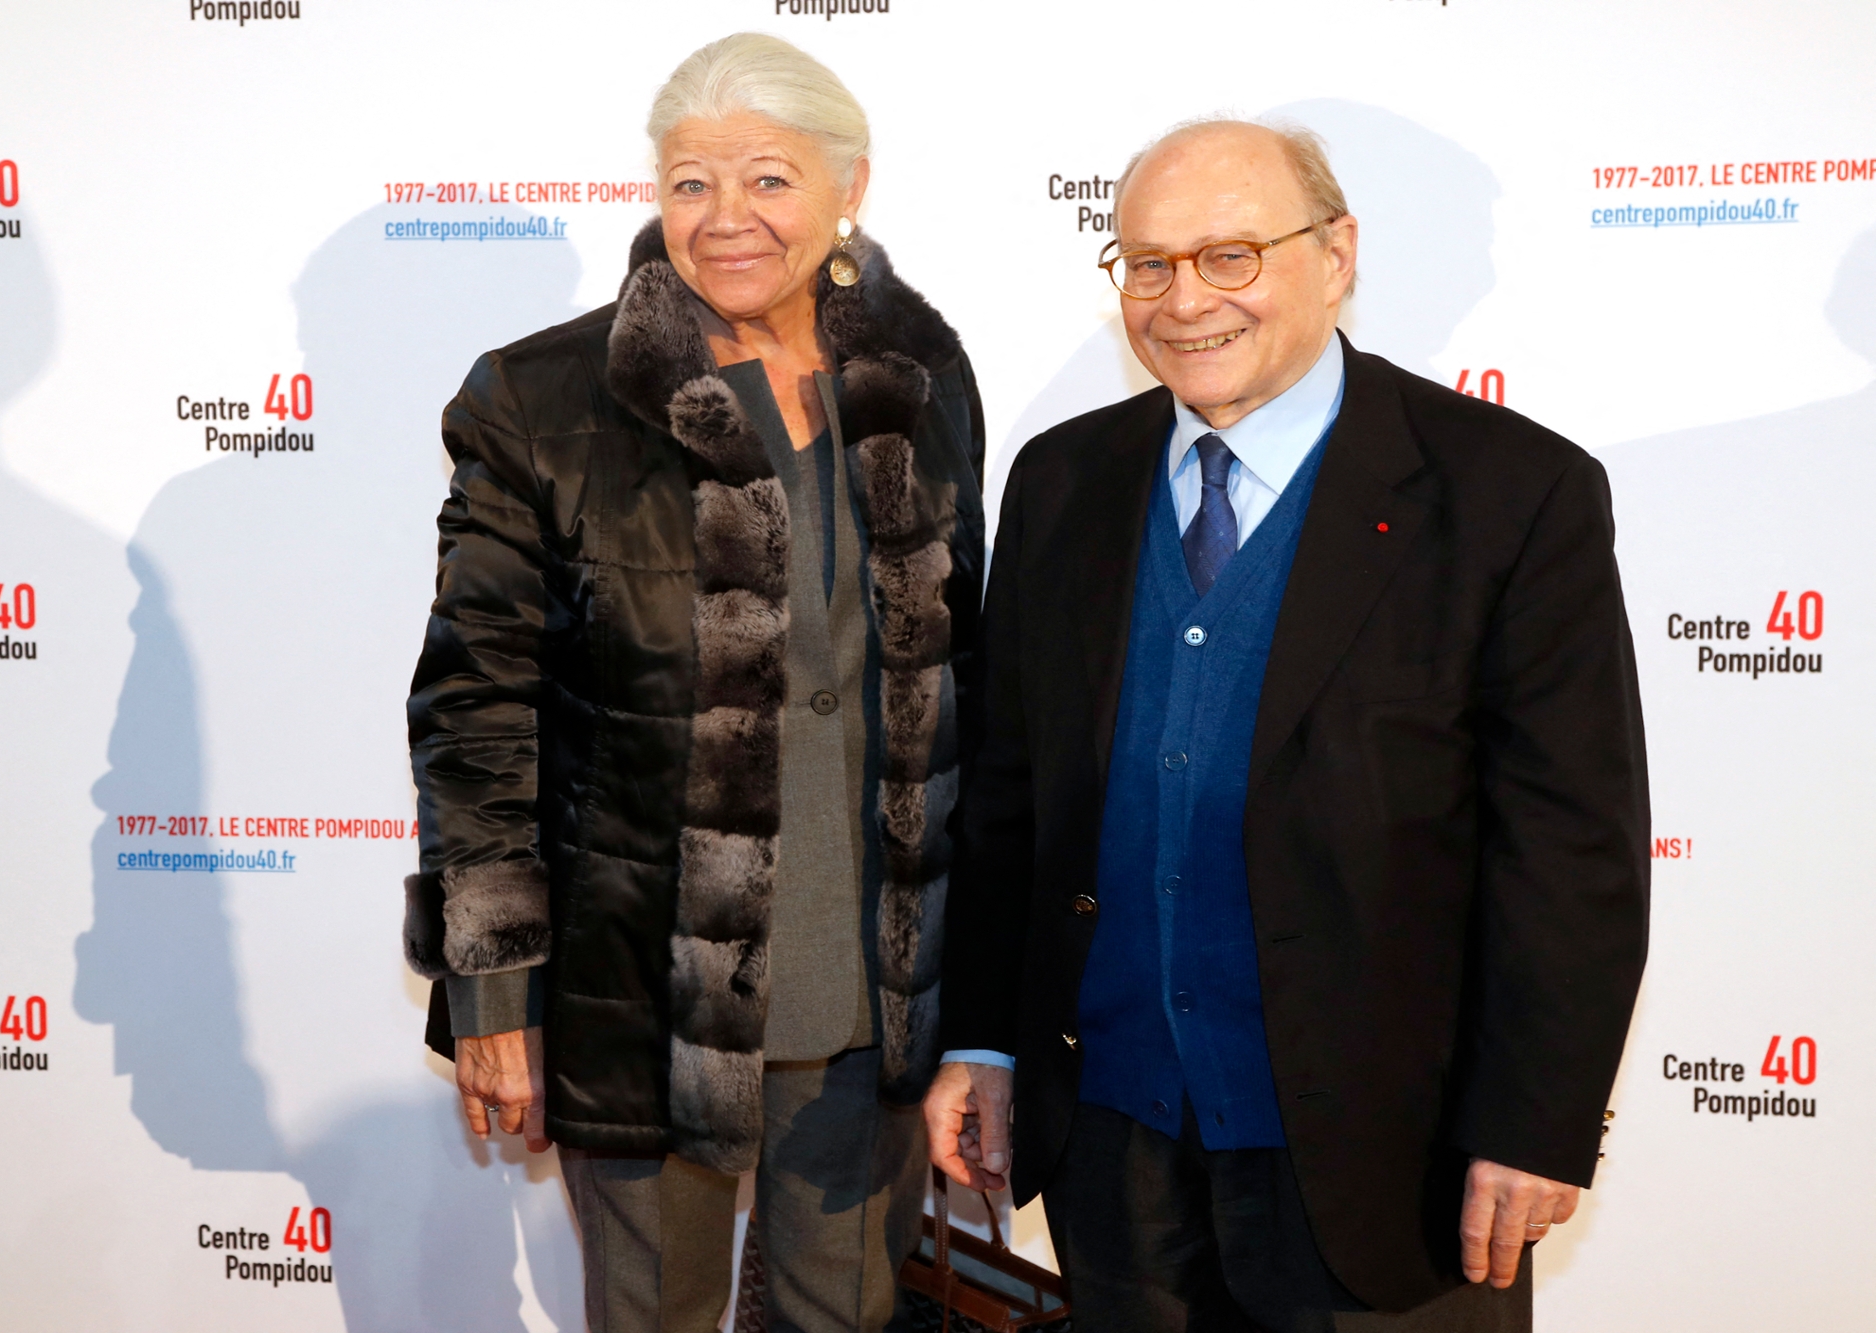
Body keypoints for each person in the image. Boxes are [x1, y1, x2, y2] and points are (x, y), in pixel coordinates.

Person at [927, 118, 1649, 1331]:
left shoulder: (1509, 492)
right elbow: (1008, 798)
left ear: (1337, 253)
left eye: (1229, 257)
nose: (1181, 300)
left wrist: (1532, 1122)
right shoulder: (1060, 480)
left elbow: (1571, 850)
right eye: (1146, 264)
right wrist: (988, 1041)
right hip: (1112, 1145)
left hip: (1388, 1165)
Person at [401, 33, 985, 1333]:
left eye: (769, 179)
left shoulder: (925, 384)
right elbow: (475, 709)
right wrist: (499, 988)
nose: (726, 220)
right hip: (636, 983)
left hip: (871, 993)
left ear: (851, 187)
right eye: (690, 182)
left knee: (848, 1318)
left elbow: (963, 686)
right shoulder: (540, 399)